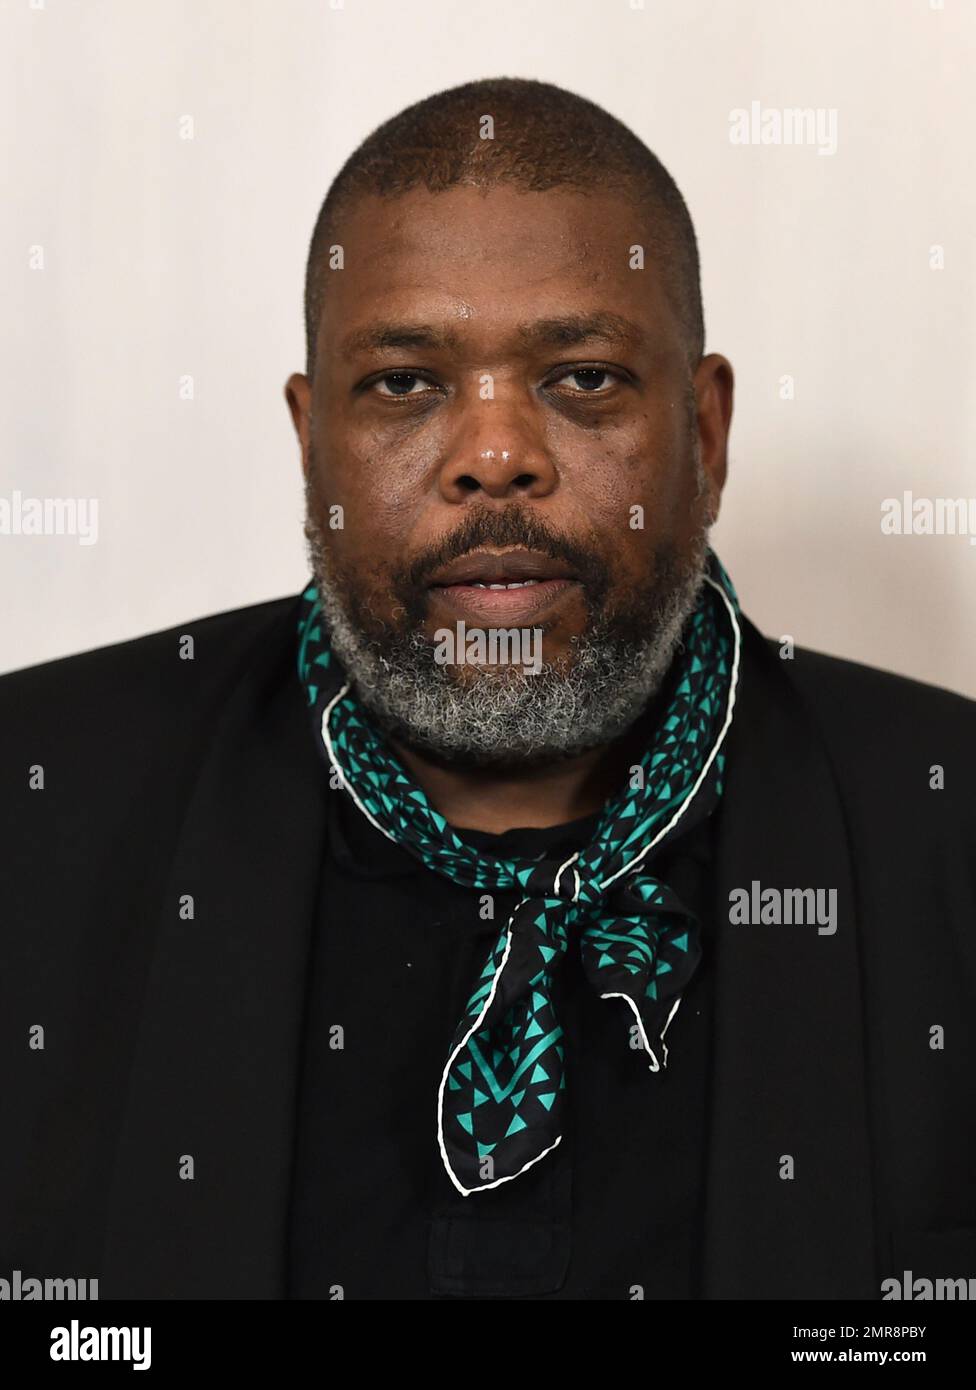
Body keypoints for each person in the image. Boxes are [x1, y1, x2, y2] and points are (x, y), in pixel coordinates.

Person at [2, 77, 974, 1303]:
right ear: (310, 447)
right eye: (405, 382)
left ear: (707, 434)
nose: (495, 456)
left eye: (580, 378)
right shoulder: (31, 810)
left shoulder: (946, 827)